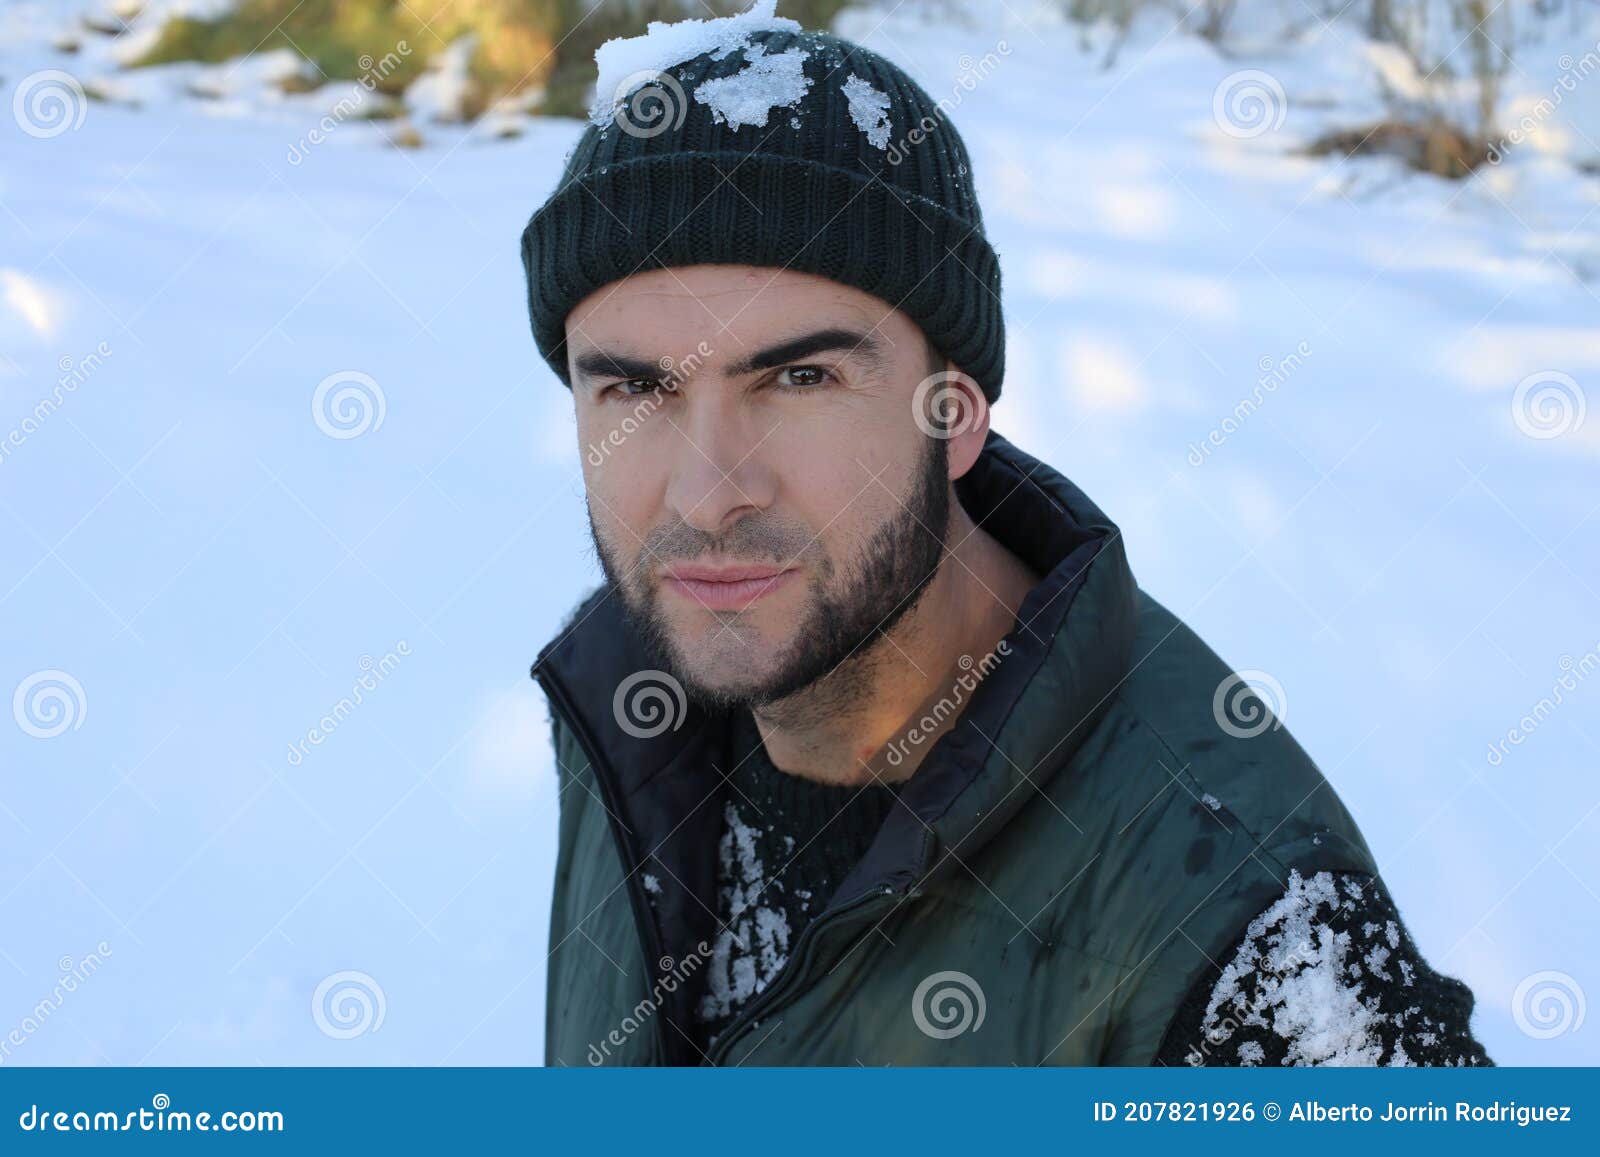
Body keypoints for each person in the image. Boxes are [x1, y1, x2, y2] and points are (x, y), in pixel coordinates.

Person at [519, 5, 1490, 1067]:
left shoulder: (1243, 934)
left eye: (800, 378)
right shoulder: (627, 702)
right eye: (633, 387)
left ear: (957, 411)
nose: (707, 497)